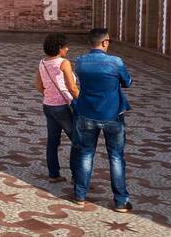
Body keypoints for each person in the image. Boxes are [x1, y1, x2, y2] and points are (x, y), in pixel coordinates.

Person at [70, 27, 133, 211]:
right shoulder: (115, 62)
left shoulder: (81, 61)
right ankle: (121, 200)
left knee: (86, 154)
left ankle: (80, 195)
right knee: (116, 157)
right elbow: (127, 82)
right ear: (105, 42)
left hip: (86, 113)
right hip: (112, 114)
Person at [35, 32, 79, 182]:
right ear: (60, 48)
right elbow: (72, 87)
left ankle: (53, 174)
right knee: (77, 140)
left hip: (48, 105)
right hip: (63, 106)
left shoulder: (42, 62)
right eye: (66, 47)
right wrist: (82, 100)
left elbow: (39, 86)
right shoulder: (63, 63)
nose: (67, 50)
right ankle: (77, 176)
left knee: (52, 141)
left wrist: (50, 95)